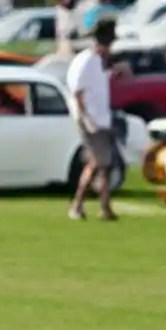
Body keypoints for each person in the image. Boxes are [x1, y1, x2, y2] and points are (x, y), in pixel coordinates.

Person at [66, 19, 118, 221]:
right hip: (91, 120)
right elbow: (77, 92)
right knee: (98, 163)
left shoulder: (99, 62)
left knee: (101, 164)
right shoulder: (85, 61)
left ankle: (104, 207)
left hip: (102, 118)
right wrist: (85, 117)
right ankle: (79, 205)